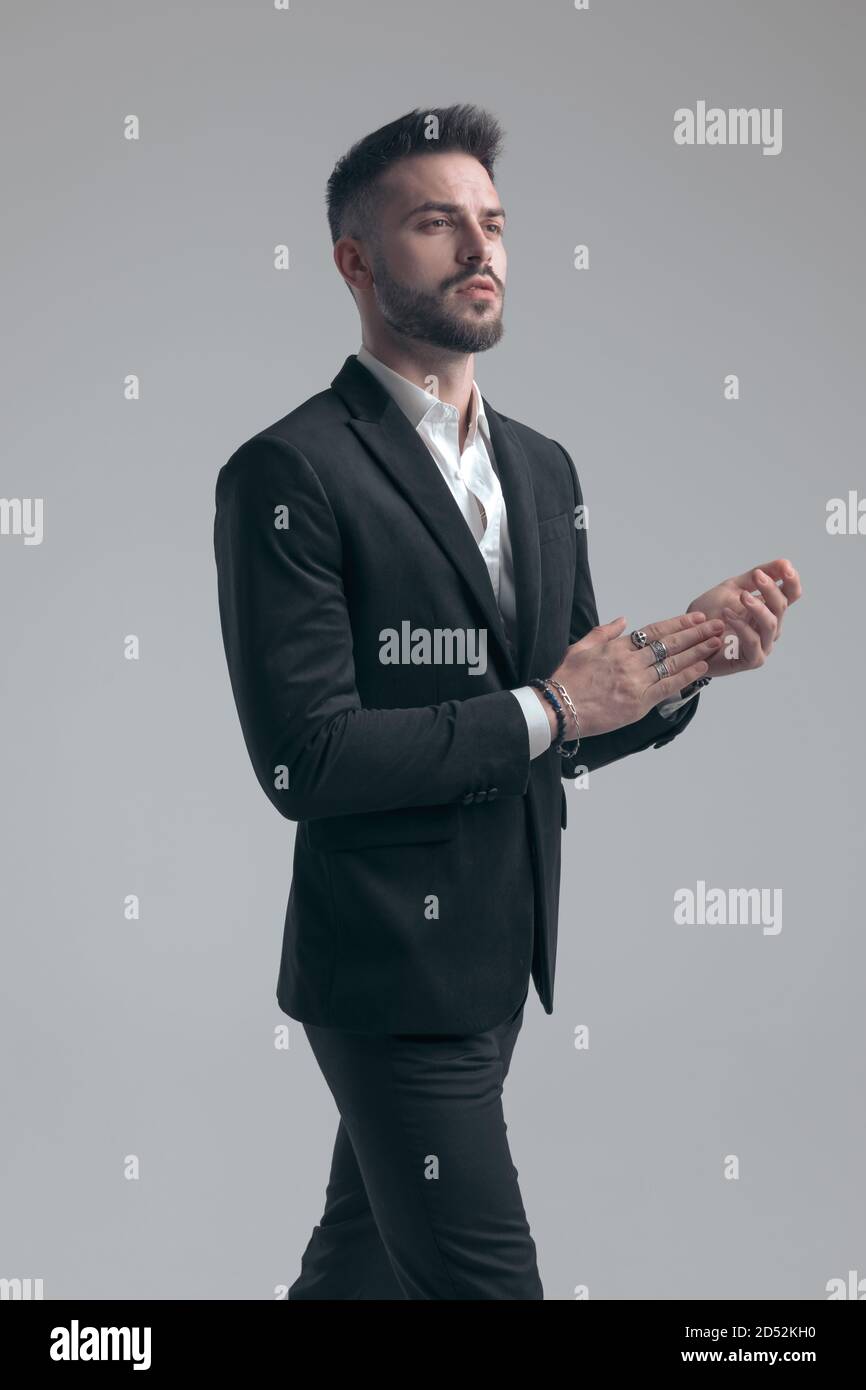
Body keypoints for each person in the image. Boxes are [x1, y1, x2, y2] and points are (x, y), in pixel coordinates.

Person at [213, 104, 800, 1300]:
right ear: (355, 262)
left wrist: (684, 660)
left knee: (359, 1269)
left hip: (499, 958)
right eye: (435, 224)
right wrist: (555, 705)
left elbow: (561, 728)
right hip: (385, 975)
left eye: (491, 222)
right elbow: (306, 761)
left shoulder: (542, 467)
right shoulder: (289, 471)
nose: (478, 248)